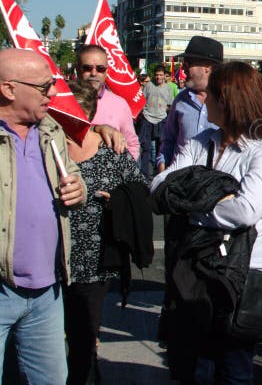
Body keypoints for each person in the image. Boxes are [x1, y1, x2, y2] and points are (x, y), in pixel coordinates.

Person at [151, 61, 262, 384]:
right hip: (196, 270)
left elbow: (245, 212)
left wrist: (190, 206)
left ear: (229, 100)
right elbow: (158, 188)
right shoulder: (200, 141)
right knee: (195, 366)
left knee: (235, 368)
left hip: (245, 273)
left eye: (211, 94)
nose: (203, 99)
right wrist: (214, 198)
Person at [0, 49, 86, 384]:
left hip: (47, 291)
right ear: (9, 90)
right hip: (3, 287)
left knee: (51, 379)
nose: (52, 93)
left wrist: (79, 188)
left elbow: (72, 173)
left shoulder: (49, 129)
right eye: (43, 87)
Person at [63, 80, 147, 385]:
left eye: (79, 113)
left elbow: (141, 190)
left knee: (84, 335)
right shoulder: (46, 144)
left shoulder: (112, 149)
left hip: (94, 259)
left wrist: (119, 200)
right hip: (49, 257)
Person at [157, 36, 223, 172]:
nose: (183, 68)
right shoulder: (181, 100)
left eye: (189, 63)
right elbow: (168, 139)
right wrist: (162, 164)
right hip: (179, 182)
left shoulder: (227, 102)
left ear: (207, 67)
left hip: (214, 184)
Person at [78, 44, 140, 160]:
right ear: (77, 69)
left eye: (100, 69)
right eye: (87, 68)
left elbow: (132, 144)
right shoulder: (65, 101)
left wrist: (123, 173)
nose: (94, 73)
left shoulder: (120, 104)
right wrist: (97, 129)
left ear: (107, 71)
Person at [138, 64, 174, 181]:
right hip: (147, 119)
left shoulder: (168, 88)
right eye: (157, 75)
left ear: (164, 76)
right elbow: (141, 101)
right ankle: (146, 176)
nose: (158, 77)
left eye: (161, 75)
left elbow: (169, 105)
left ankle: (160, 176)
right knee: (146, 148)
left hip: (161, 120)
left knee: (162, 148)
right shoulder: (148, 85)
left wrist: (163, 112)